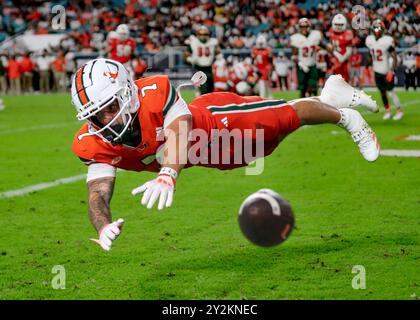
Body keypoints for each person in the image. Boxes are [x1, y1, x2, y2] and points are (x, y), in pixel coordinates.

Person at [70, 58, 379, 251]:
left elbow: (180, 129)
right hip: (214, 155)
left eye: (110, 107)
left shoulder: (154, 92)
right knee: (274, 139)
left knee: (287, 116)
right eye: (95, 114)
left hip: (220, 120)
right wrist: (103, 225)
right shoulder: (92, 142)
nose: (105, 119)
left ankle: (346, 118)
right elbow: (98, 191)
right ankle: (330, 95)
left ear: (127, 94)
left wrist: (168, 174)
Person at [366, 19, 403, 120]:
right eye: (375, 28)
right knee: (382, 92)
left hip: (386, 71)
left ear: (383, 30)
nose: (377, 31)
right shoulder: (370, 40)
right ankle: (388, 111)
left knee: (391, 92)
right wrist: (367, 65)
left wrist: (391, 70)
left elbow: (394, 57)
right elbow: (371, 53)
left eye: (379, 28)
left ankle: (399, 111)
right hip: (377, 71)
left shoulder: (387, 40)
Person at [290, 18, 323, 97]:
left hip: (312, 64)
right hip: (301, 66)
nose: (304, 28)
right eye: (302, 27)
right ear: (299, 27)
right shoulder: (296, 38)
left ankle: (315, 104)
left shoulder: (315, 35)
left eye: (305, 26)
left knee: (314, 87)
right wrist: (301, 64)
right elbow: (294, 56)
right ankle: (302, 105)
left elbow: (322, 45)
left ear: (309, 27)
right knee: (302, 89)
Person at [184, 25, 221, 95]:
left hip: (209, 68)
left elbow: (218, 53)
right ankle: (201, 103)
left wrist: (219, 59)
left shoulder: (213, 42)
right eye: (201, 34)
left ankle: (208, 104)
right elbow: (185, 55)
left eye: (205, 34)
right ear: (197, 35)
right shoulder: (193, 42)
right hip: (198, 68)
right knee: (202, 88)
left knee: (210, 89)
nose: (203, 36)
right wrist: (190, 59)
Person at [328, 13, 353, 82]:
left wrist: (342, 58)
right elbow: (330, 45)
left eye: (340, 25)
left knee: (345, 81)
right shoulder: (331, 32)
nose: (338, 27)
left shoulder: (348, 34)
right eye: (336, 24)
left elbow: (349, 50)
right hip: (334, 61)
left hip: (344, 61)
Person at [252, 34, 273, 98]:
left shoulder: (266, 50)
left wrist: (271, 70)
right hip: (260, 68)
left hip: (264, 69)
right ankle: (269, 97)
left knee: (263, 84)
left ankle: (263, 98)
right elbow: (253, 62)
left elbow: (270, 61)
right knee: (264, 84)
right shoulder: (256, 50)